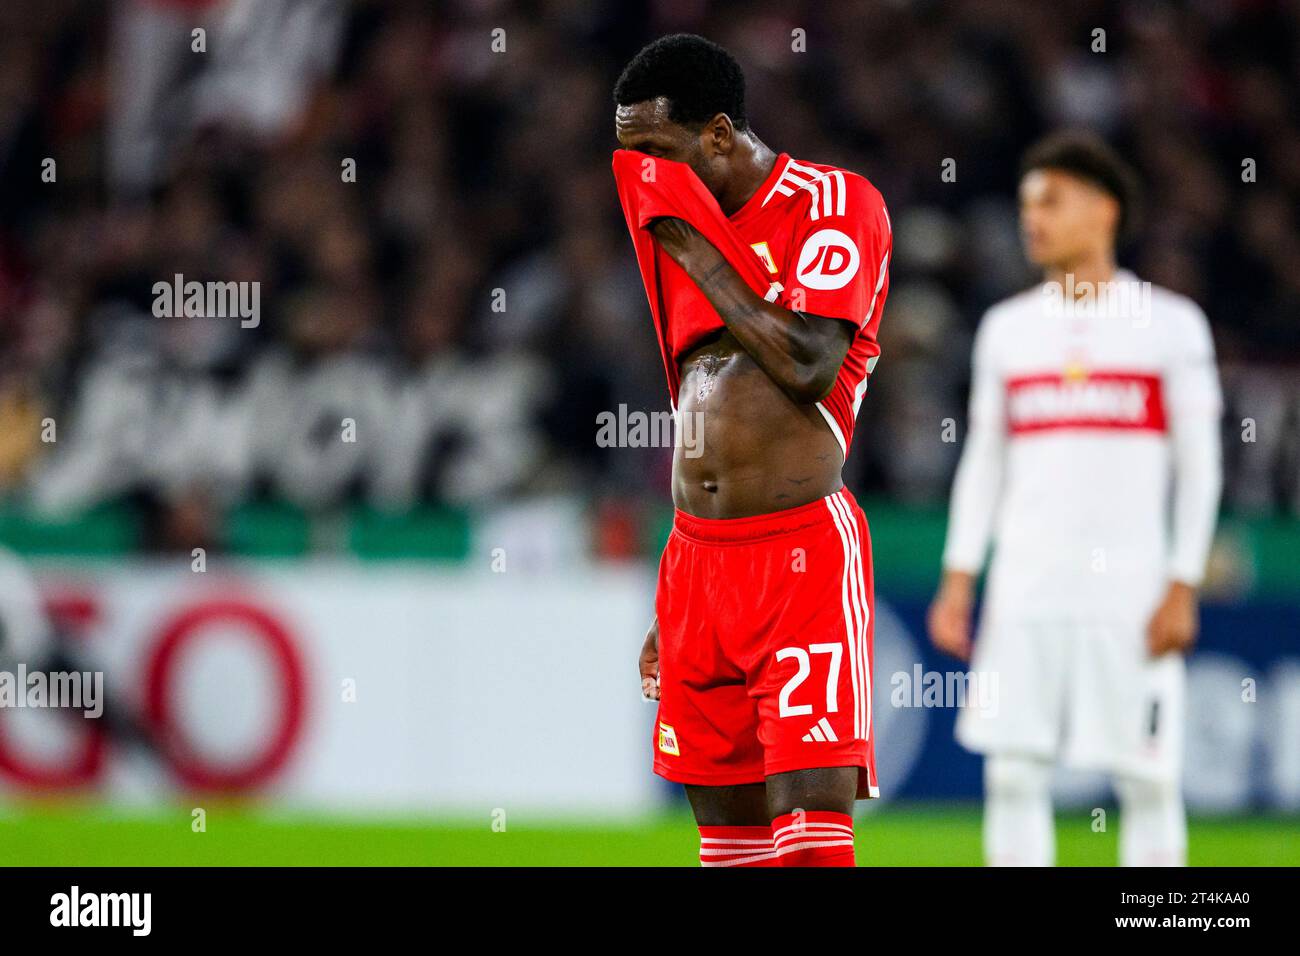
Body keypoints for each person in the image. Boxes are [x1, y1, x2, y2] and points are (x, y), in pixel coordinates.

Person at [613, 34, 891, 866]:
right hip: (700, 565)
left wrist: (694, 248)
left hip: (799, 556)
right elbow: (698, 406)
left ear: (721, 135)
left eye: (658, 153)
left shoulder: (835, 203)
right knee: (731, 849)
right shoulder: (674, 227)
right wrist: (675, 580)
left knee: (808, 849)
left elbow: (808, 362)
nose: (643, 178)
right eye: (630, 158)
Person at [928, 131, 1223, 866]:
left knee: (1148, 777)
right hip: (1024, 589)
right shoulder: (1006, 329)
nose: (1032, 219)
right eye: (1027, 204)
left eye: (1050, 202)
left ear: (1104, 210)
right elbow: (985, 463)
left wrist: (1182, 581)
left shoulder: (1171, 325)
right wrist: (961, 577)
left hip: (1129, 592)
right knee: (1013, 772)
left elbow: (1201, 465)